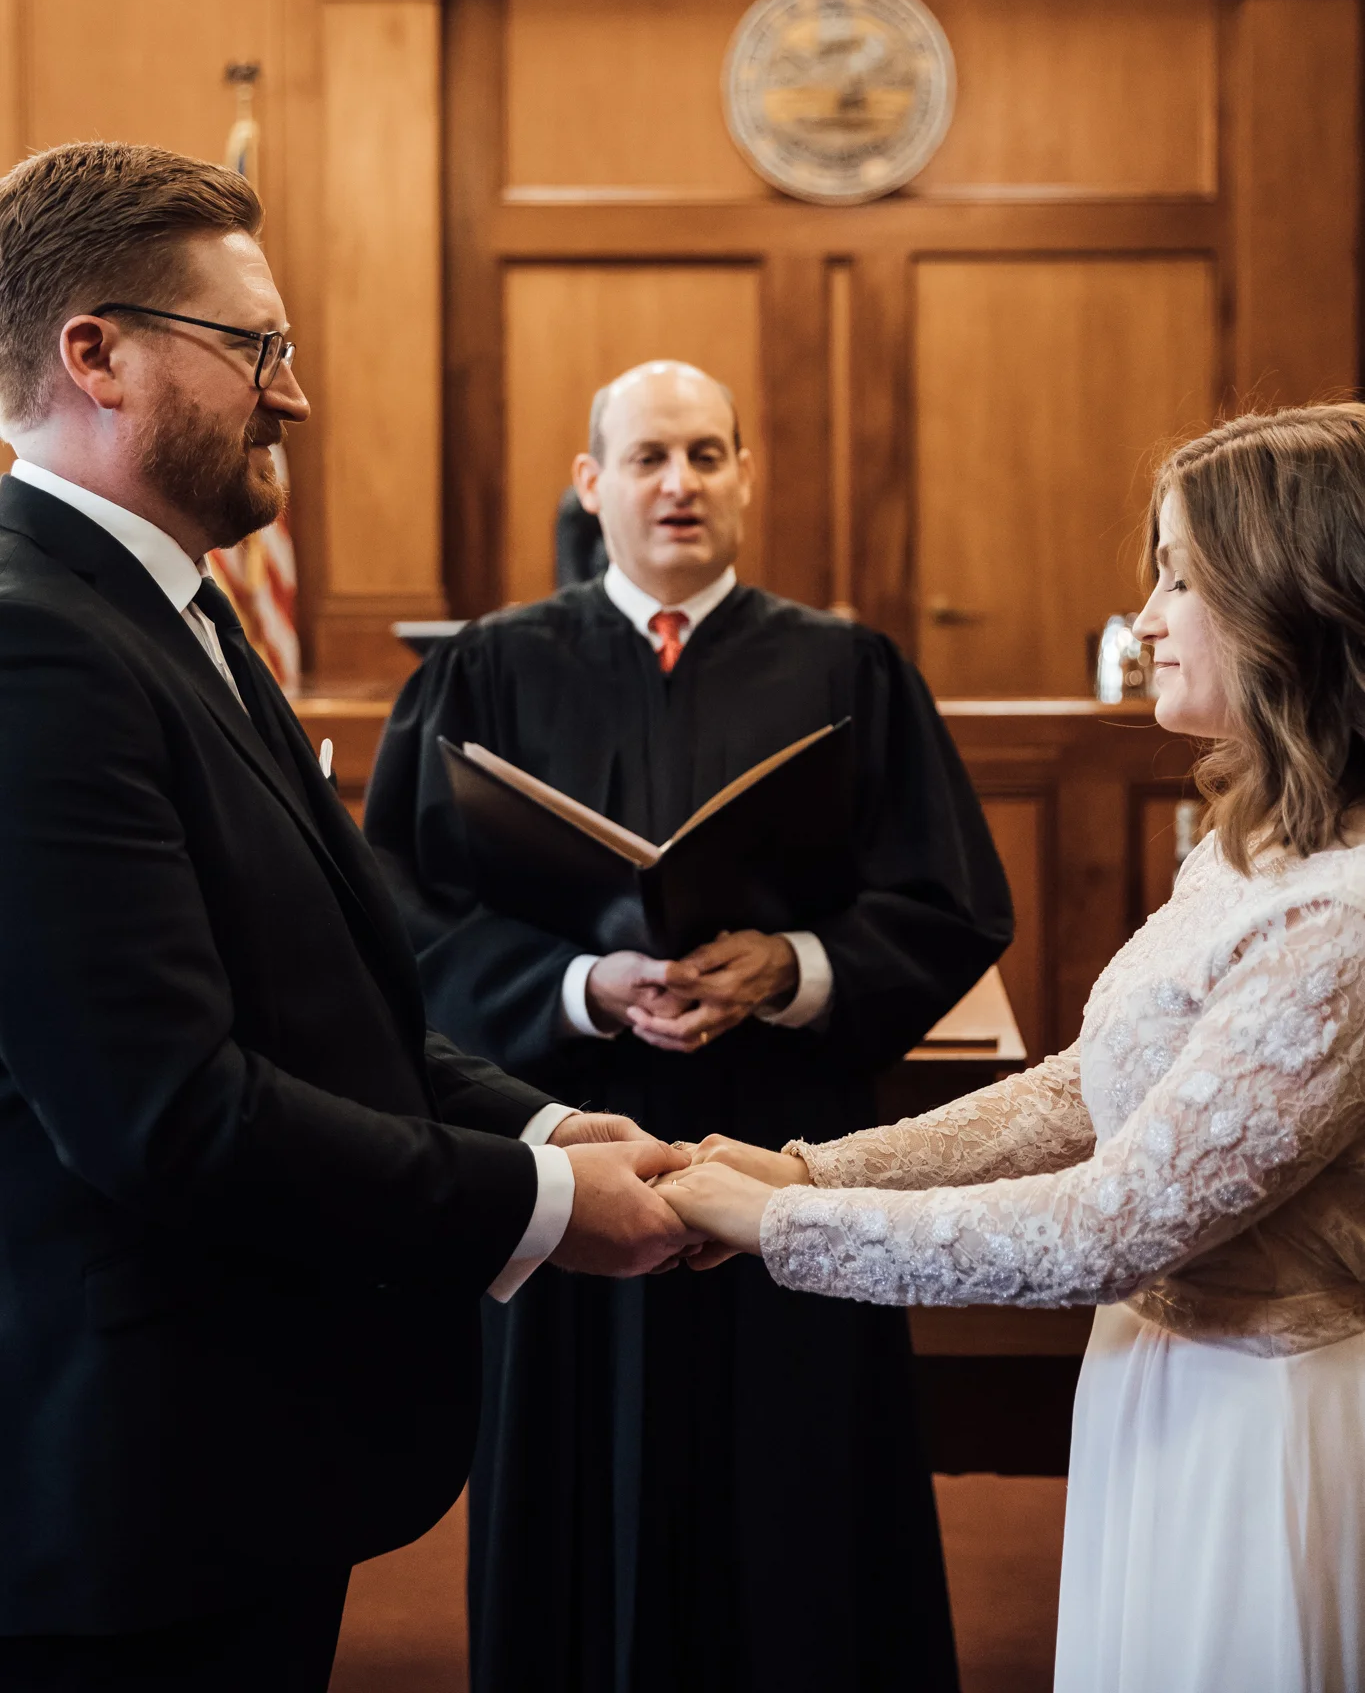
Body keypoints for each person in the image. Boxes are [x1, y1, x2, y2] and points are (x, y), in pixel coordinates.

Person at [0, 142, 691, 1693]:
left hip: (234, 1460)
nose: (293, 396)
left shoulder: (173, 617)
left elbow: (325, 997)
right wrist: (544, 1213)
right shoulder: (33, 647)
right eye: (256, 350)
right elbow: (167, 1112)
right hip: (125, 1493)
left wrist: (544, 1129)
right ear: (93, 355)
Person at [661, 403, 1365, 1693]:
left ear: (1292, 602)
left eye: (1177, 577)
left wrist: (776, 1231)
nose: (1145, 620)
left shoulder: (1346, 919)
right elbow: (1090, 1088)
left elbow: (1114, 1224)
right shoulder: (1251, 845)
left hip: (1276, 1425)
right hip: (1164, 1378)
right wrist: (805, 1174)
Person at [366, 358, 1013, 1693]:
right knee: (573, 1495)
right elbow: (392, 915)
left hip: (791, 1150)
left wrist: (794, 967)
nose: (680, 484)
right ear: (591, 482)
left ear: (746, 479)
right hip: (566, 1149)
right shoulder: (483, 676)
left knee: (803, 1505)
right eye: (650, 457)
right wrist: (576, 985)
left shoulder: (850, 670)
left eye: (709, 455)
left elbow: (952, 901)